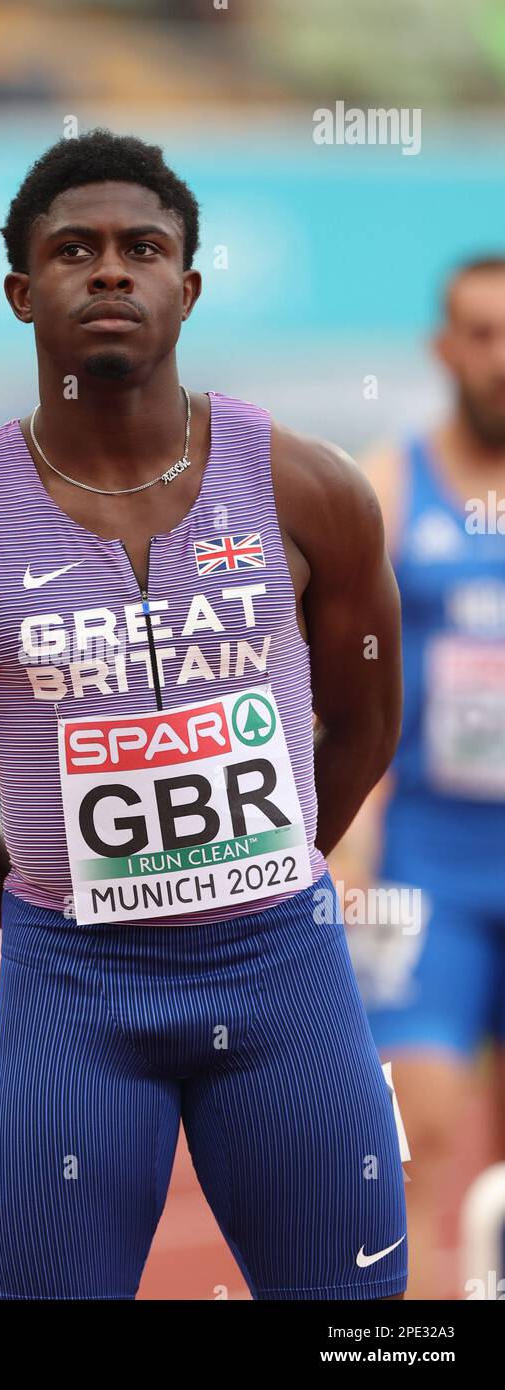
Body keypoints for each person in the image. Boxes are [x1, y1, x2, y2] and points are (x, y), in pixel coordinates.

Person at [0, 128, 407, 1301]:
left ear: (186, 285)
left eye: (140, 248)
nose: (109, 271)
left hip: (284, 975)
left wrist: (279, 857)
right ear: (20, 291)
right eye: (73, 250)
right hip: (73, 999)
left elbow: (364, 721)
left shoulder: (310, 491)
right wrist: (46, 910)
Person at [335, 256, 505, 1300]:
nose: (498, 357)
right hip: (420, 869)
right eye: (478, 335)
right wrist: (346, 851)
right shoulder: (389, 483)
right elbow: (339, 687)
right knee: (413, 1130)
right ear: (442, 349)